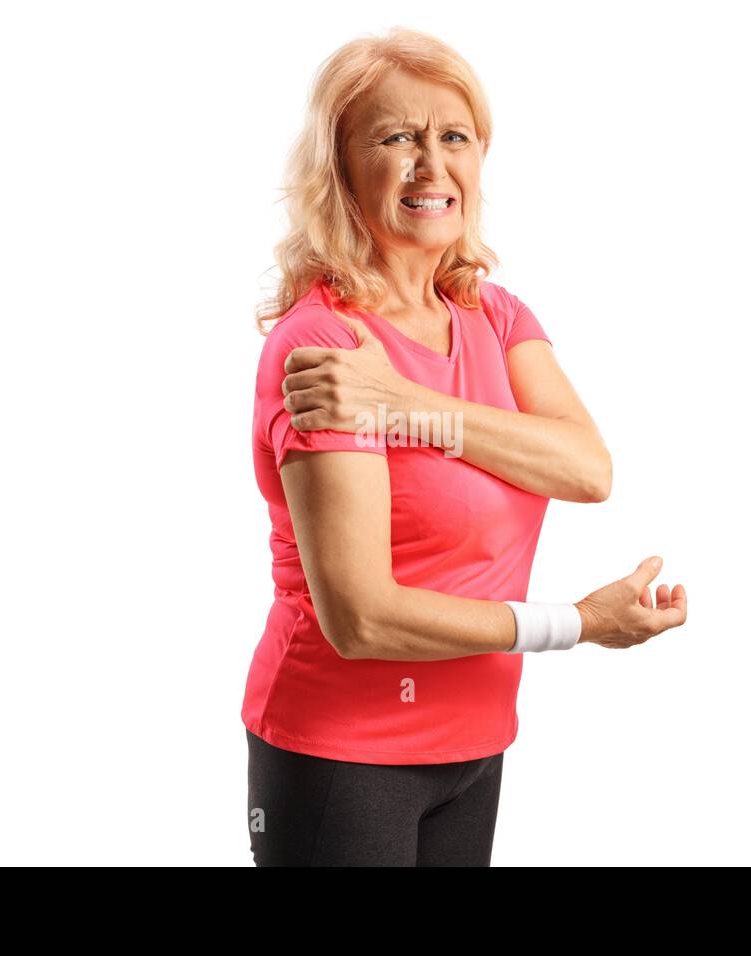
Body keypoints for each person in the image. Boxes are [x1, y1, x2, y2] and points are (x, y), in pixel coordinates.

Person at [243, 27, 688, 866]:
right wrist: (575, 625)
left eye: (453, 136)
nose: (430, 164)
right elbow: (361, 617)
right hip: (344, 752)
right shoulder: (326, 350)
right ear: (340, 171)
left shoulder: (495, 316)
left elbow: (587, 468)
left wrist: (407, 405)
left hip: (475, 744)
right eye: (396, 137)